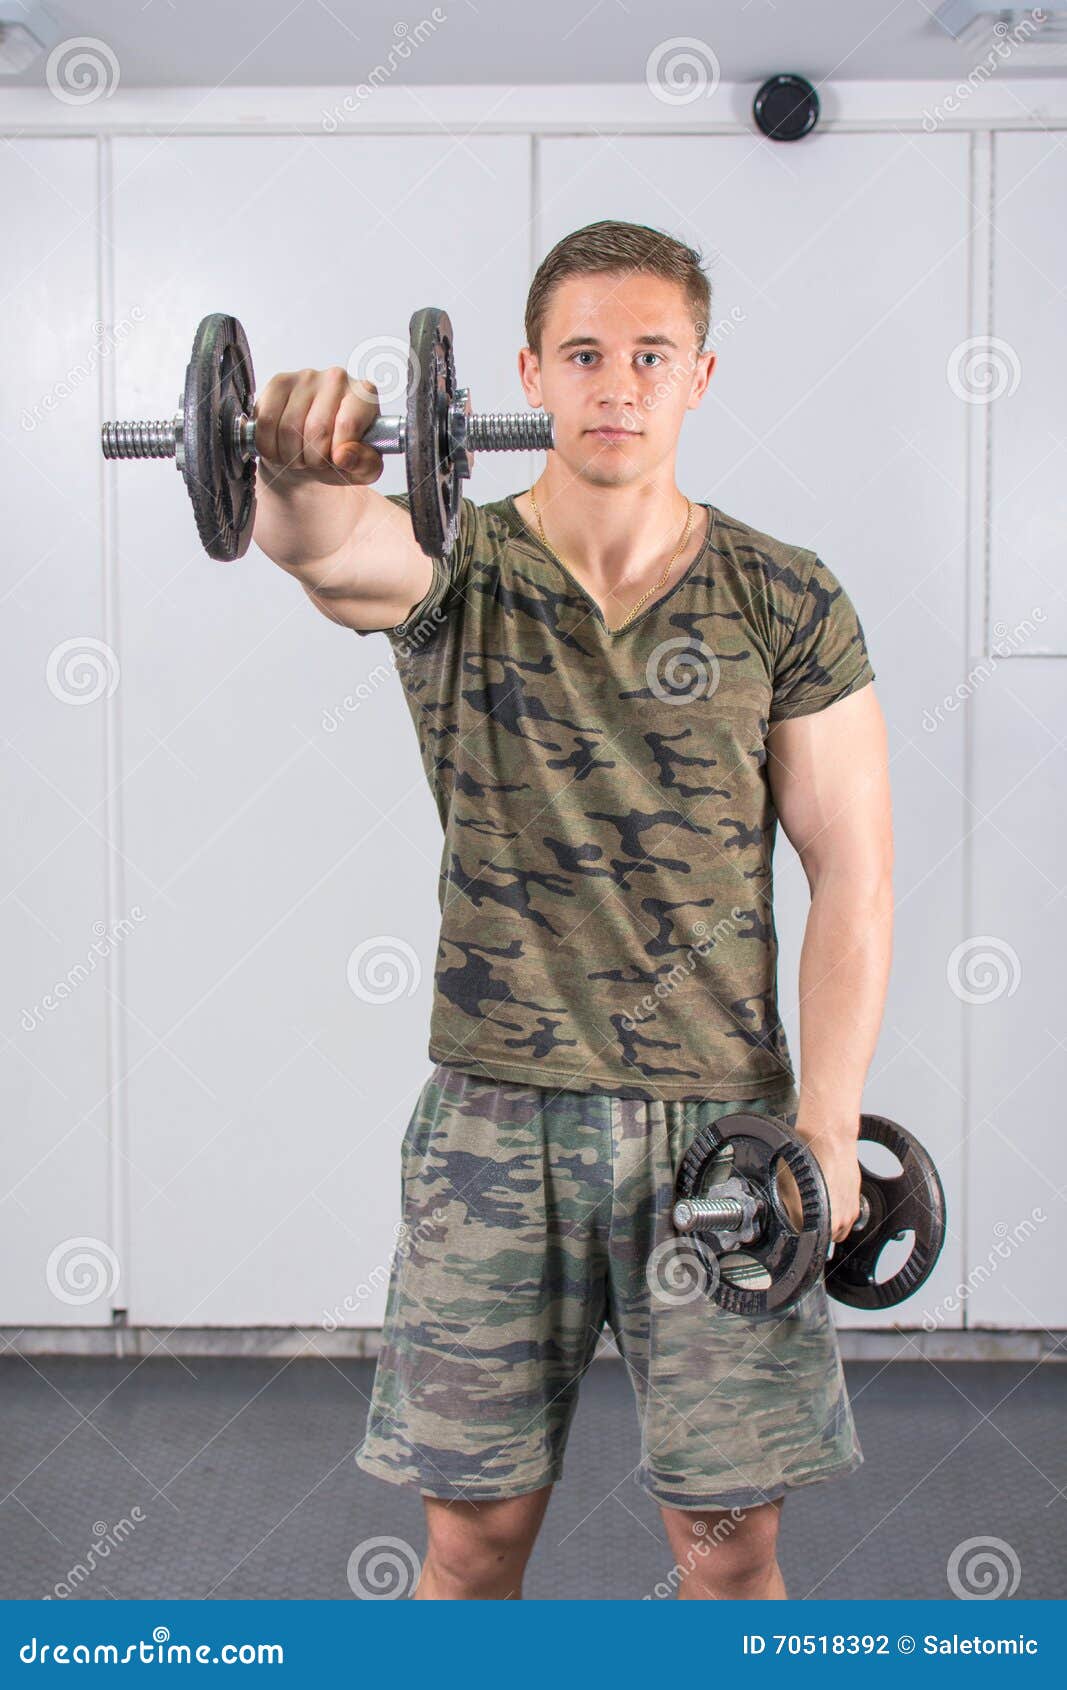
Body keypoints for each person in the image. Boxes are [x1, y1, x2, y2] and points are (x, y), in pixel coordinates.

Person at [252, 220, 893, 1601]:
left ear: (700, 376)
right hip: (496, 1121)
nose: (619, 383)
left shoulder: (786, 594)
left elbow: (856, 869)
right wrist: (295, 466)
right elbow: (320, 552)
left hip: (720, 1126)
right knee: (470, 1541)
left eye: (651, 354)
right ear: (529, 370)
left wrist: (832, 1129)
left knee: (732, 1548)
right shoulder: (457, 566)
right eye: (588, 353)